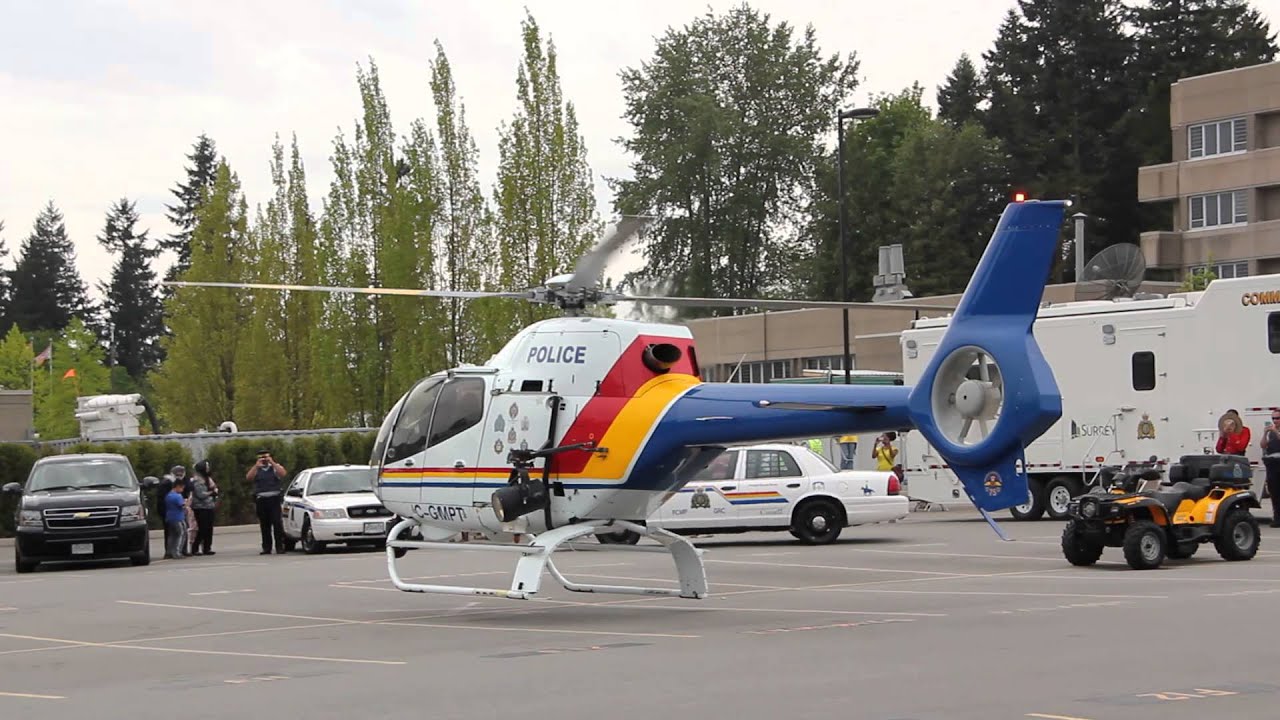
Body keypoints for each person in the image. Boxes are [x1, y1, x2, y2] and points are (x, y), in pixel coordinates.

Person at [246, 450, 288, 555]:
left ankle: (279, 546)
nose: (264, 459)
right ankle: (266, 547)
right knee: (265, 525)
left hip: (274, 499)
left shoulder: (274, 467)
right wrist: (256, 466)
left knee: (277, 523)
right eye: (261, 457)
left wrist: (272, 463)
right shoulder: (256, 468)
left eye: (266, 457)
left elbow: (283, 473)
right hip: (261, 499)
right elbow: (249, 477)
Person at [189, 460, 219, 555]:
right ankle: (195, 548)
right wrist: (211, 492)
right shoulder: (197, 480)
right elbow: (200, 495)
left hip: (209, 506)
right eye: (206, 467)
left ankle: (207, 548)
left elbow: (215, 488)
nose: (208, 469)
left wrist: (214, 493)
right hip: (200, 507)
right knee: (202, 528)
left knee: (209, 528)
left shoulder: (207, 478)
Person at [1261, 411, 1280, 528]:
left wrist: (1275, 431)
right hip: (1272, 463)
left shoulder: (1275, 432)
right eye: (1273, 418)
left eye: (1277, 418)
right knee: (1274, 491)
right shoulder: (1271, 433)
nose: (1275, 421)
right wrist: (1265, 433)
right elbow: (1263, 445)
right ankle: (1277, 517)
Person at [163, 478, 187, 560]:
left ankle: (169, 551)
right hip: (178, 518)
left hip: (170, 517)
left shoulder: (168, 496)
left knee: (172, 535)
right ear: (177, 487)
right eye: (182, 488)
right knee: (181, 534)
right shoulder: (178, 496)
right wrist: (187, 503)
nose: (182, 490)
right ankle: (177, 552)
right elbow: (183, 505)